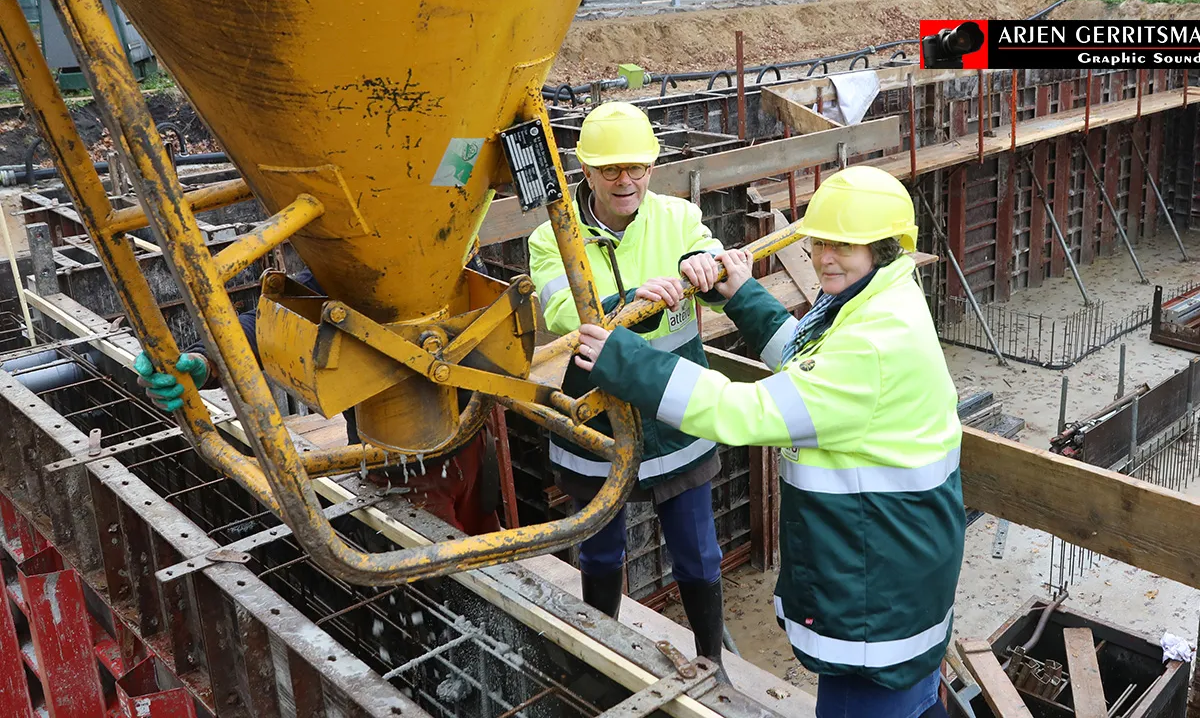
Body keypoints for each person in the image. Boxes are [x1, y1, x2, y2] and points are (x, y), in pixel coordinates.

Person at [572, 166, 965, 718]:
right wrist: (743, 296)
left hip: (877, 584)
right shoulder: (884, 298)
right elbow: (811, 369)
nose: (825, 257)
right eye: (822, 241)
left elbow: (745, 411)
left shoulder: (876, 343)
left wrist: (626, 360)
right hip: (898, 562)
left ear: (881, 247)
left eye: (844, 246)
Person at [528, 101, 733, 675]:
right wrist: (634, 301)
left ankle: (710, 660)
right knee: (600, 547)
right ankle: (603, 656)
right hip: (599, 416)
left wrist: (707, 272)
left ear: (652, 168)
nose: (627, 181)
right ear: (586, 172)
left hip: (675, 415)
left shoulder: (678, 216)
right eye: (611, 170)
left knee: (697, 552)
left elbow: (712, 270)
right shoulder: (553, 236)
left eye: (638, 168)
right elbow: (566, 310)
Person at [134, 257, 502, 537]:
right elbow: (275, 322)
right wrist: (205, 359)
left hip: (469, 440)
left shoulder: (455, 245)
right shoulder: (362, 255)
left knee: (488, 549)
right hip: (392, 460)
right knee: (444, 578)